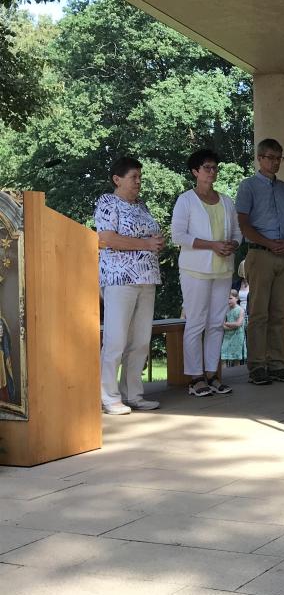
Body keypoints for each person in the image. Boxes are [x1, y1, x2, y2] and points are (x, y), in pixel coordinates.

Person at [95, 156, 163, 414]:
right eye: (133, 177)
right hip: (119, 279)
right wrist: (146, 243)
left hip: (147, 278)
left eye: (140, 177)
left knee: (141, 340)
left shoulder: (142, 205)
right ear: (117, 179)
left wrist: (158, 242)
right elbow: (106, 238)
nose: (138, 181)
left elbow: (149, 236)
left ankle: (133, 394)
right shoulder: (107, 202)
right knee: (116, 339)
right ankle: (108, 396)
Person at [171, 149, 242, 396]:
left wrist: (233, 244)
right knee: (196, 323)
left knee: (216, 323)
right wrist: (212, 245)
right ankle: (195, 378)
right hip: (195, 271)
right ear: (195, 171)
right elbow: (178, 236)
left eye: (215, 167)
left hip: (223, 270)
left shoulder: (226, 201)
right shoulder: (186, 200)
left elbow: (237, 232)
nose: (212, 172)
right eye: (207, 167)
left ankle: (212, 374)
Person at [235, 138, 284, 386]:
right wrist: (269, 243)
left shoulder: (283, 188)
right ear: (260, 158)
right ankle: (257, 365)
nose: (275, 162)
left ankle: (277, 363)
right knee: (259, 313)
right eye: (270, 157)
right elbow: (243, 224)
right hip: (260, 253)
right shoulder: (248, 186)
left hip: (282, 254)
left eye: (279, 158)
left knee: (278, 313)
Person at [221, 289, 247, 366]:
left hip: (237, 336)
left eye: (230, 298)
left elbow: (238, 324)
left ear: (237, 298)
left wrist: (227, 324)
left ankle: (235, 372)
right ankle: (224, 372)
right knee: (223, 356)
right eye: (227, 299)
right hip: (227, 336)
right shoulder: (226, 310)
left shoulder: (240, 310)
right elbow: (222, 325)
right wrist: (230, 326)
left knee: (236, 358)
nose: (228, 301)